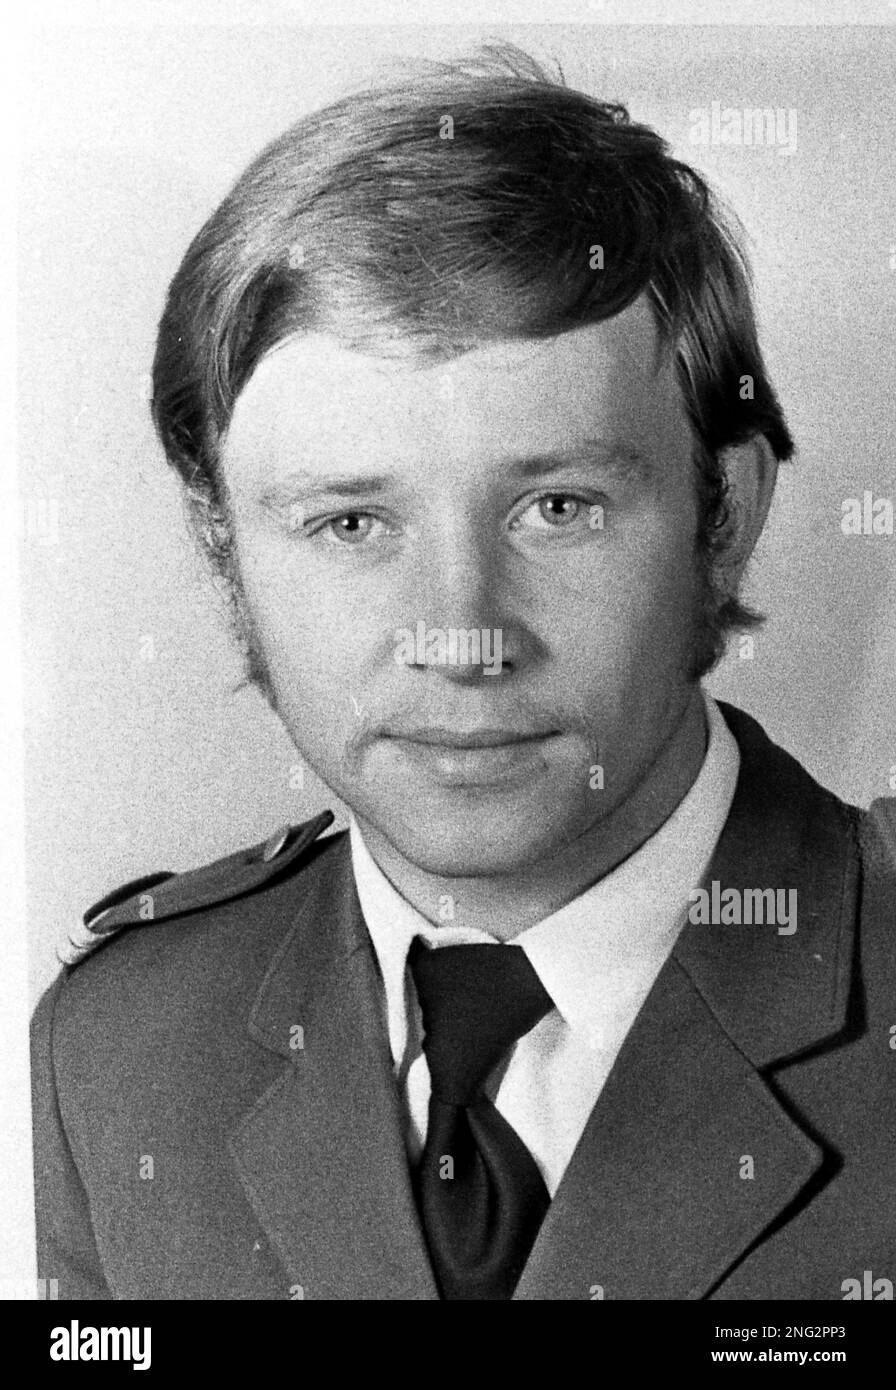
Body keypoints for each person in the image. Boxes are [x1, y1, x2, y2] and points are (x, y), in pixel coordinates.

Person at [31, 48, 896, 1301]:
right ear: (224, 554)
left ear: (724, 516)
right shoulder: (117, 1052)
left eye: (556, 506)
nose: (458, 635)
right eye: (349, 525)